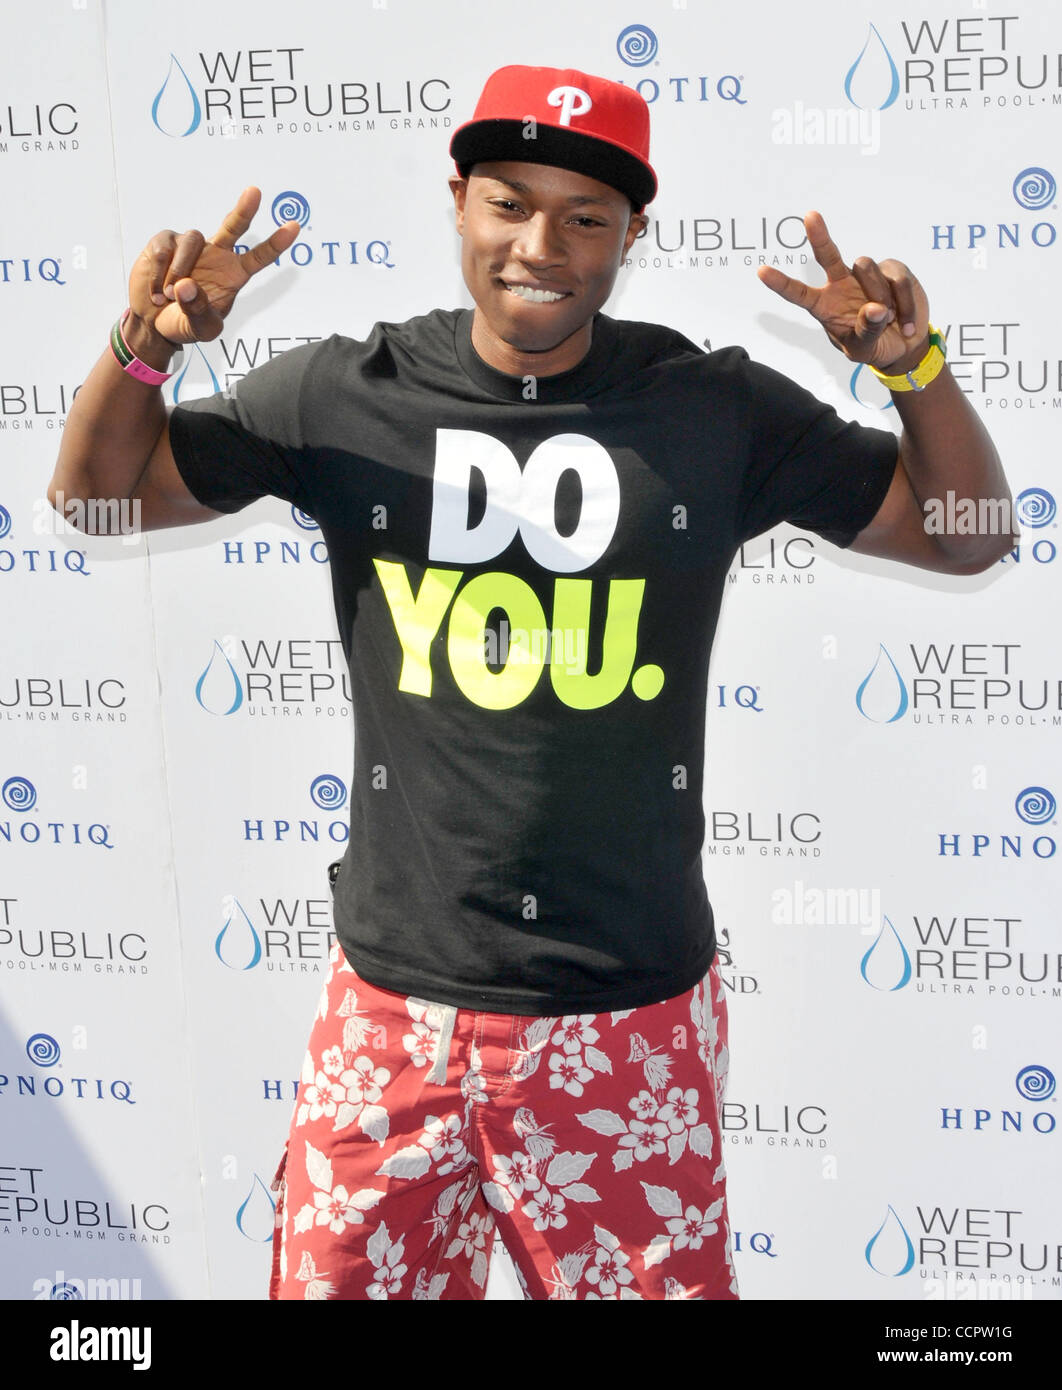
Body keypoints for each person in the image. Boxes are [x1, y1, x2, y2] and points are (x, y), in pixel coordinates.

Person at [50, 65, 1012, 1301]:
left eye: (585, 217)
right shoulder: (351, 391)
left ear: (631, 237)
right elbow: (93, 497)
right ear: (457, 202)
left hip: (627, 1018)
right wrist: (143, 349)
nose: (539, 247)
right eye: (508, 203)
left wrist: (914, 366)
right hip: (391, 1009)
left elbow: (971, 528)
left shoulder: (711, 409)